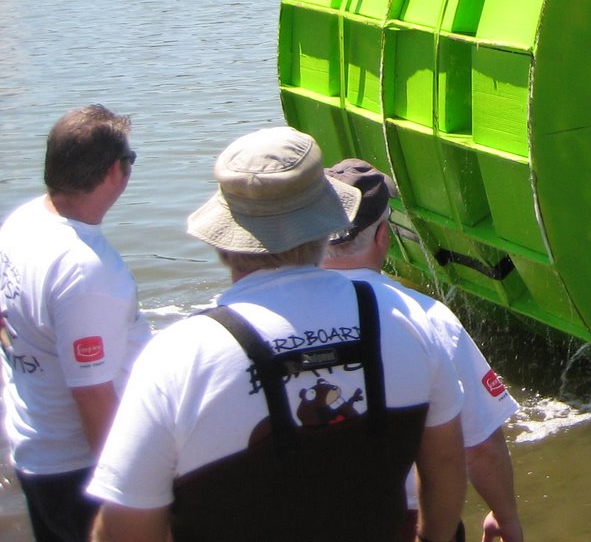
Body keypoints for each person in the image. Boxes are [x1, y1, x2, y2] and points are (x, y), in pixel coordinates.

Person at [86, 127, 466, 542]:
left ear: (223, 241)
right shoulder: (409, 320)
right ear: (325, 225)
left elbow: (126, 527)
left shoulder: (178, 357)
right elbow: (446, 463)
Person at [323, 158, 523, 542]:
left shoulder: (256, 319)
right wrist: (505, 515)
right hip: (400, 523)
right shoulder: (427, 318)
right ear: (383, 235)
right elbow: (479, 446)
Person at [0, 106, 149, 542]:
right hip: (81, 470)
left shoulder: (23, 221)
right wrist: (123, 497)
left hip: (37, 448)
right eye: (130, 160)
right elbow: (92, 397)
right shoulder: (86, 270)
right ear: (113, 174)